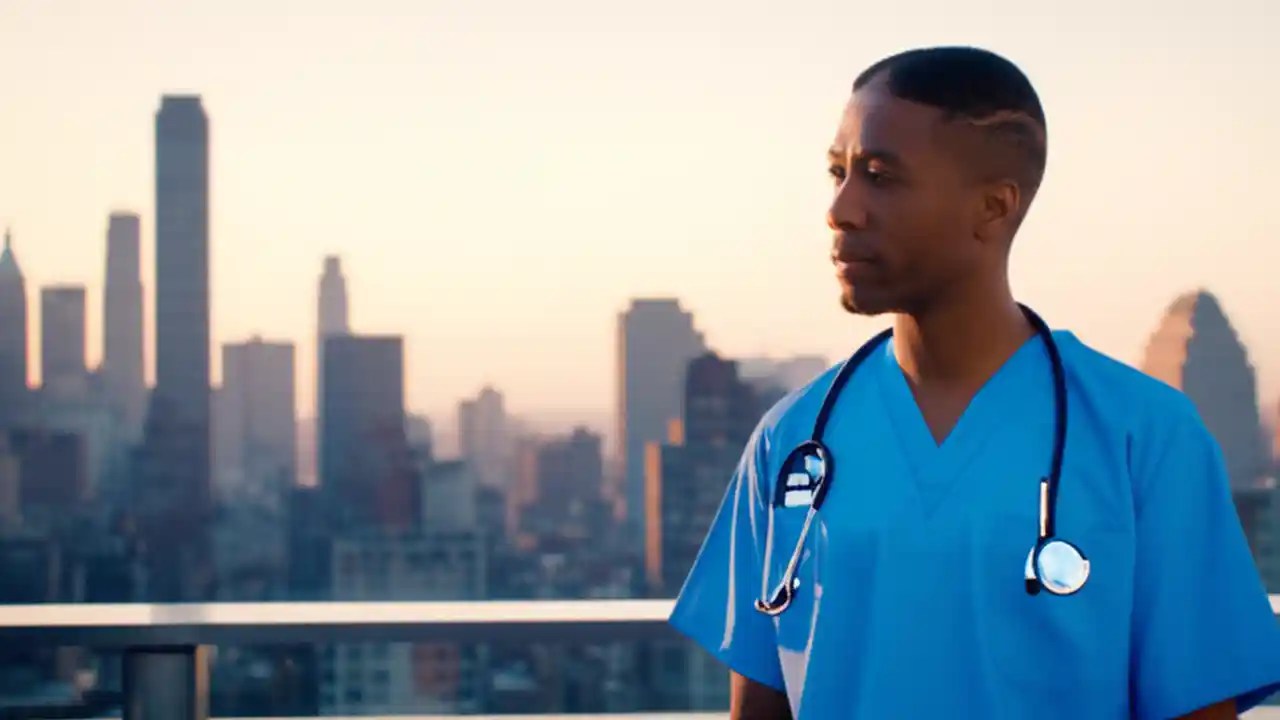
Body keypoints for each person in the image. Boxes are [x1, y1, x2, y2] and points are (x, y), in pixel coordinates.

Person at [667, 46, 1280, 719]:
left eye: (880, 176)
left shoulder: (1147, 437)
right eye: (837, 173)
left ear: (993, 208)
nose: (840, 209)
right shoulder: (790, 442)